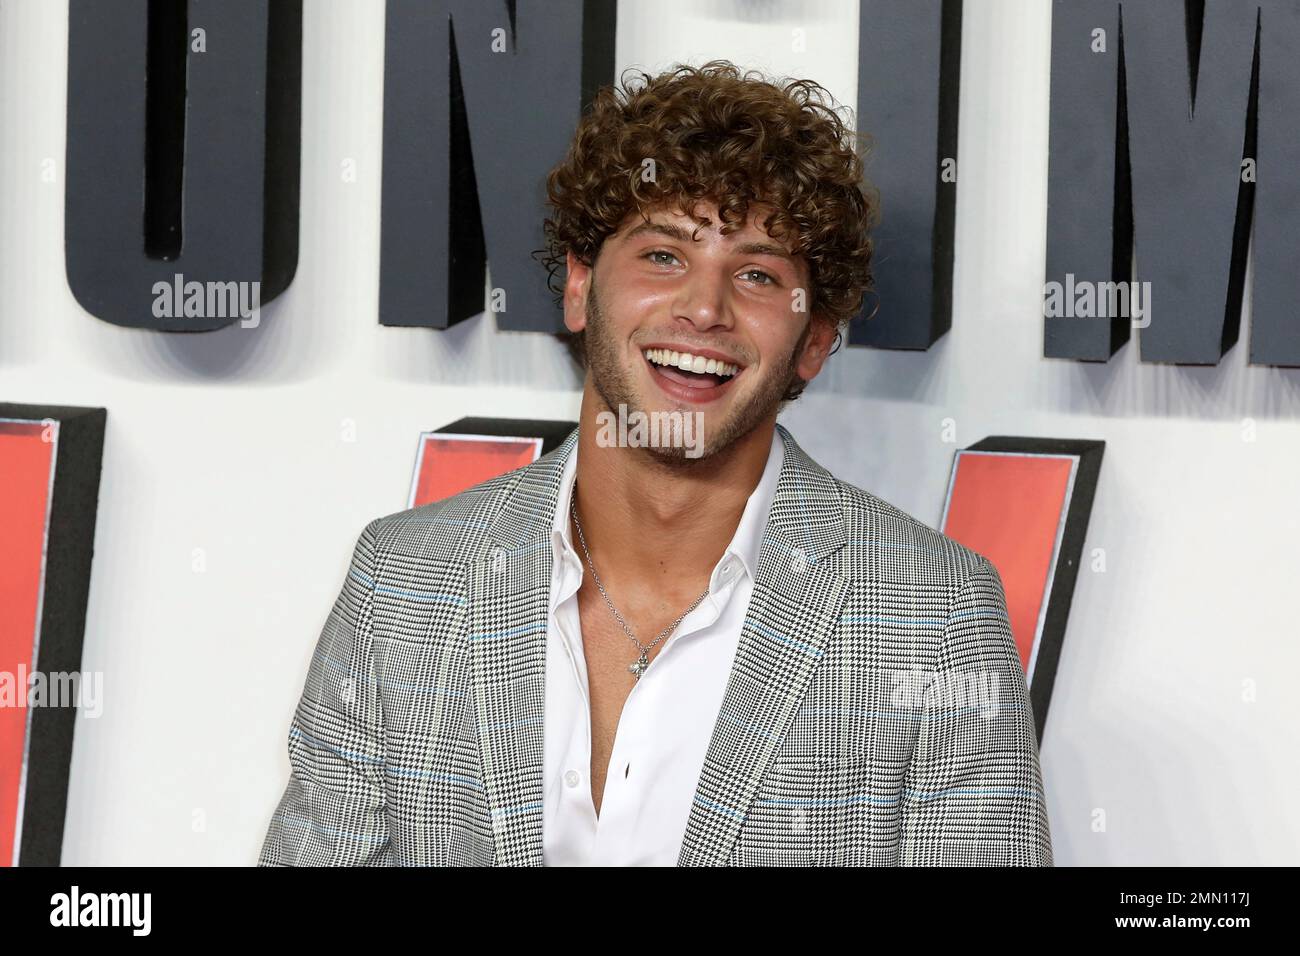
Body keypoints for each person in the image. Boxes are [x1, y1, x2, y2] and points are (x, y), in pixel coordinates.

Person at [258, 60, 1052, 867]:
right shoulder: (404, 584)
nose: (704, 309)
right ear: (578, 284)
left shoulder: (935, 617)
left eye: (757, 274)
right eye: (664, 256)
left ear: (814, 342)